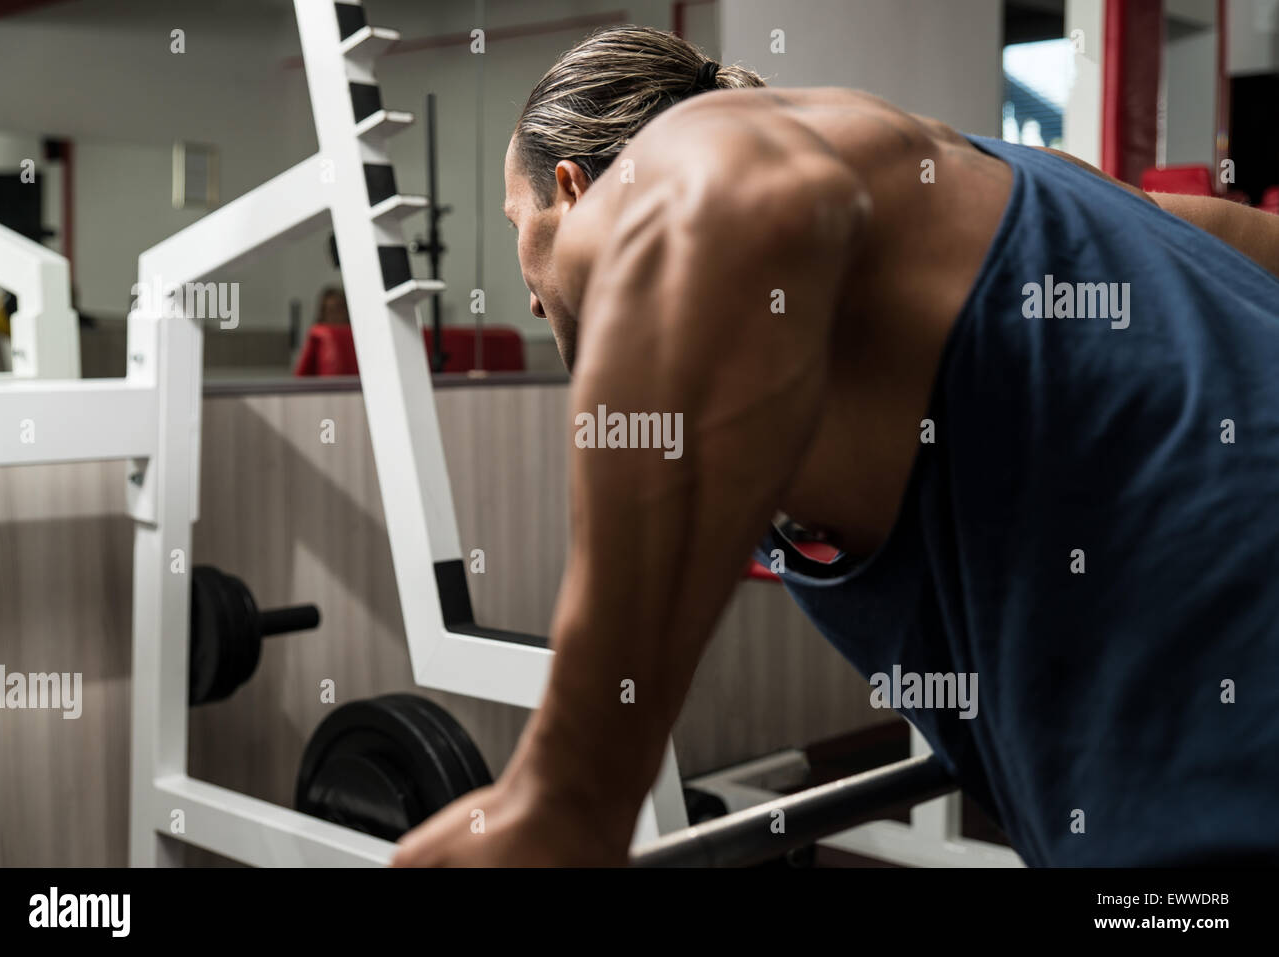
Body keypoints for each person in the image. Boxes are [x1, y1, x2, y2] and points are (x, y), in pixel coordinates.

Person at [392, 26, 1279, 866]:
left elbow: (729, 193)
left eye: (516, 225)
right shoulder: (1012, 178)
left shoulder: (693, 158)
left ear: (579, 189)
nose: (533, 300)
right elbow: (1233, 241)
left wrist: (568, 793)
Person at [293, 286, 358, 376]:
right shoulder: (318, 335)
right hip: (326, 389)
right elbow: (302, 375)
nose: (335, 316)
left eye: (339, 310)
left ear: (347, 311)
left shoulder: (359, 336)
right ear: (323, 314)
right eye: (330, 311)